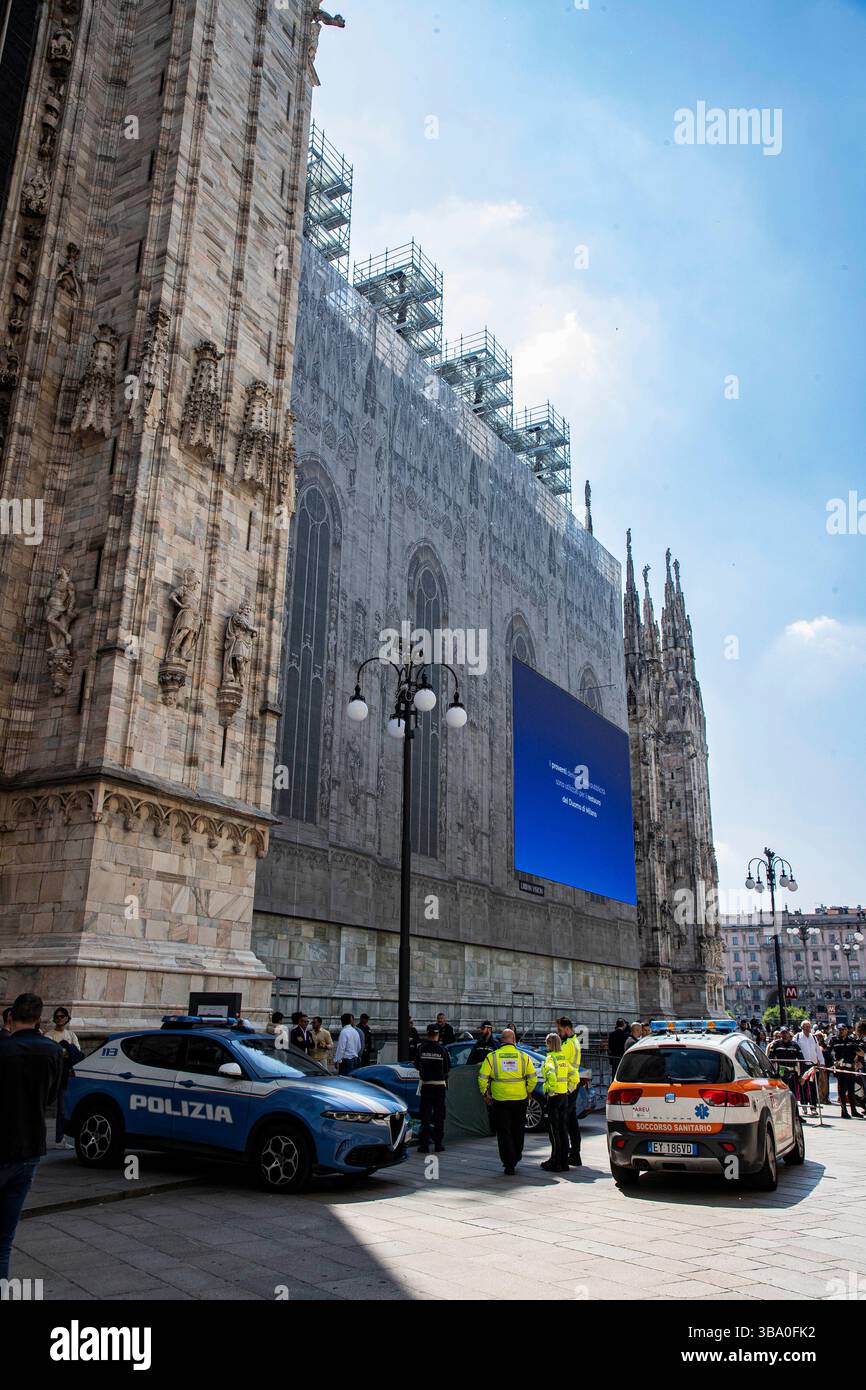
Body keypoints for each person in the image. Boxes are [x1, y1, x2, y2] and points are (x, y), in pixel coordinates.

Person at [0, 994, 63, 1280]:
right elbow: (51, 1097)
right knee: (4, 1240)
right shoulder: (51, 1051)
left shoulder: (2, 1049)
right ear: (40, 1019)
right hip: (30, 1148)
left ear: (11, 1017)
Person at [477, 1027, 537, 1175]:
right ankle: (516, 1156)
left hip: (500, 1100)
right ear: (514, 1040)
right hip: (520, 1099)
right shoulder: (523, 1057)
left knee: (504, 1132)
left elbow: (482, 1077)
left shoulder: (492, 1057)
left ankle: (508, 1162)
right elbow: (533, 1078)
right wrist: (528, 1091)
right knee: (518, 1130)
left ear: (502, 1040)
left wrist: (485, 1093)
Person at [42, 1007, 83, 1145]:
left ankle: (59, 1139)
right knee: (42, 1106)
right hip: (52, 1075)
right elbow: (54, 1054)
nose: (59, 1019)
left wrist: (65, 1050)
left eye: (62, 1016)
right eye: (57, 1016)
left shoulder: (71, 1035)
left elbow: (77, 1054)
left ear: (66, 1018)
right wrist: (66, 1051)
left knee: (62, 1109)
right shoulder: (49, 1035)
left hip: (64, 1076)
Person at [540, 1033, 577, 1173]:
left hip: (554, 1098)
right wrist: (568, 1088)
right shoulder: (563, 1059)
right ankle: (564, 1162)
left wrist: (550, 1090)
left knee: (553, 1131)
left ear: (549, 1044)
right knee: (563, 1129)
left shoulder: (551, 1058)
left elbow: (550, 1075)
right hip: (564, 1097)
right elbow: (574, 1075)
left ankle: (556, 1163)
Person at [416, 1023, 450, 1154]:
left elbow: (417, 1065)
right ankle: (438, 1144)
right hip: (439, 1085)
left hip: (426, 1085)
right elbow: (447, 1068)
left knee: (425, 1115)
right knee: (439, 1116)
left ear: (427, 1034)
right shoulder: (443, 1050)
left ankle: (424, 1145)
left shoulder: (421, 1049)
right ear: (438, 1034)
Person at [557, 1017, 583, 1166]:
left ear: (567, 1029)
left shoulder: (568, 1044)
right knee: (572, 1122)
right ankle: (575, 1154)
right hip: (573, 1085)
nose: (558, 1033)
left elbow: (561, 1065)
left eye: (560, 1030)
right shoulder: (574, 1042)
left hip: (568, 1087)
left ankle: (568, 1153)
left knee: (565, 1122)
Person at [829, 1024, 865, 1118]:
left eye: (843, 1029)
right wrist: (833, 1063)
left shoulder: (851, 1040)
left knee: (851, 1091)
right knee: (842, 1090)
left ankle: (854, 1111)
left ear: (846, 1030)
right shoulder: (834, 1040)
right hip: (840, 1068)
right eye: (839, 1029)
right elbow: (829, 1052)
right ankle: (844, 1111)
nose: (841, 1031)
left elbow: (860, 1052)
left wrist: (859, 1060)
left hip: (850, 1068)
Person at [767, 1027, 803, 1103]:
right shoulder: (776, 1044)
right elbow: (771, 1058)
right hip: (782, 1070)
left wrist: (802, 1073)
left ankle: (795, 1110)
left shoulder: (794, 1044)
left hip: (792, 1070)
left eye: (786, 1033)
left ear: (788, 1033)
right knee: (782, 1090)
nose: (784, 1035)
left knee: (793, 1092)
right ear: (780, 1034)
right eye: (783, 1033)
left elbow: (801, 1058)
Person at [794, 1019, 821, 1116]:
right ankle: (804, 1106)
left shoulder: (813, 1037)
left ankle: (813, 1107)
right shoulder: (797, 1037)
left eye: (809, 1027)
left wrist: (821, 1062)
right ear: (802, 1027)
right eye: (805, 1027)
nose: (807, 1029)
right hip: (803, 1065)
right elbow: (794, 1050)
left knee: (814, 1086)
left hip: (813, 1065)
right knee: (803, 1086)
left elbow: (818, 1050)